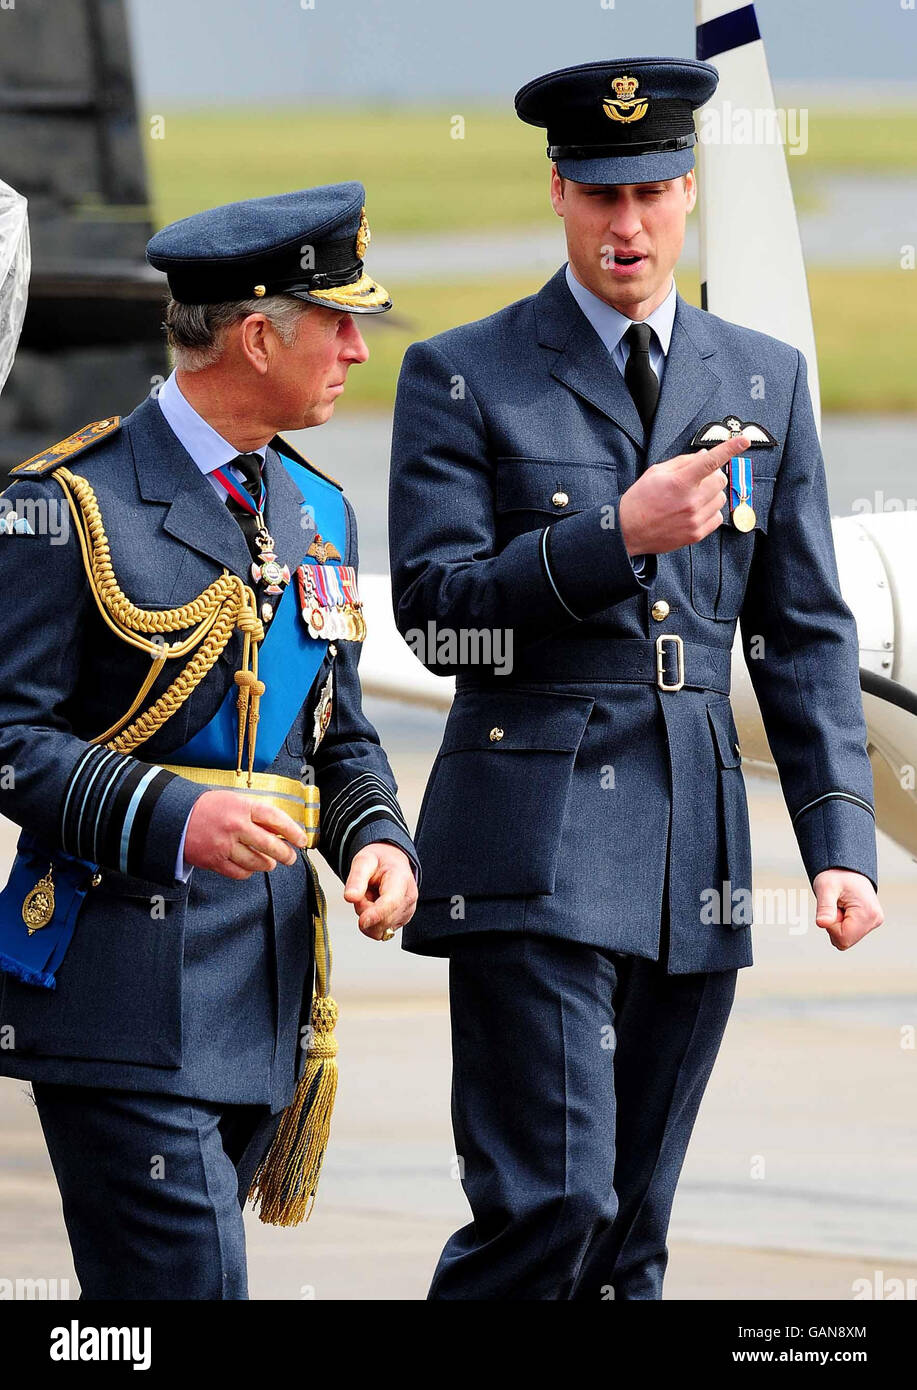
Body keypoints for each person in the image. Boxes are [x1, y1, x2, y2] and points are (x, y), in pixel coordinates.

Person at [388, 58, 884, 1300]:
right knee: (553, 1200)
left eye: (655, 193)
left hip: (694, 852)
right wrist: (615, 535)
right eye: (602, 196)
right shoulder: (462, 372)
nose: (628, 226)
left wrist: (836, 837)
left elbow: (803, 627)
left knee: (628, 1243)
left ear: (687, 197)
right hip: (528, 843)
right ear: (557, 191)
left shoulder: (762, 376)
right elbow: (438, 615)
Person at [0, 182, 418, 1299]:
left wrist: (377, 839)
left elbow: (337, 731)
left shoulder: (318, 511)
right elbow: (7, 737)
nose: (356, 352)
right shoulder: (66, 504)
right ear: (253, 335)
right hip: (119, 994)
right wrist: (174, 816)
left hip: (262, 997)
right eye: (337, 322)